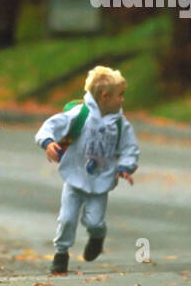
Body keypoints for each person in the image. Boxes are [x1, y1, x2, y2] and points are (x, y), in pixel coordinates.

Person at [35, 65, 140, 274]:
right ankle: (61, 254)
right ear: (104, 96)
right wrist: (48, 143)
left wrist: (126, 166)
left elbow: (129, 147)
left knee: (94, 221)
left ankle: (97, 236)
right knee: (66, 218)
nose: (122, 100)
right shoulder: (79, 115)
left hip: (101, 180)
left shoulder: (120, 123)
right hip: (74, 177)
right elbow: (51, 125)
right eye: (120, 95)